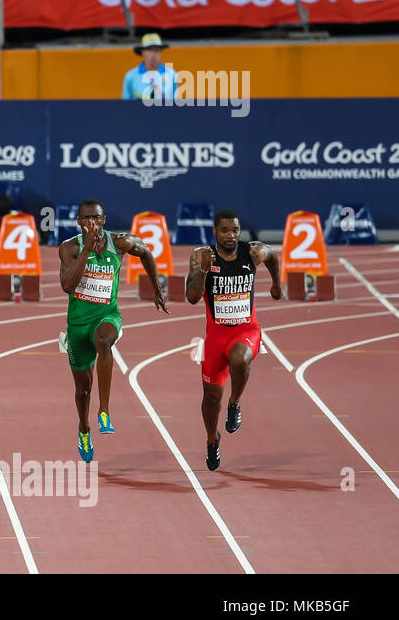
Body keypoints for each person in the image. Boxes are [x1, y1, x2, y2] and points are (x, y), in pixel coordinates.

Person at [58, 200, 168, 463]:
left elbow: (146, 253)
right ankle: (84, 428)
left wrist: (156, 288)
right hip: (77, 325)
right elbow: (67, 286)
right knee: (82, 389)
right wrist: (86, 251)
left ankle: (104, 411)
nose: (91, 223)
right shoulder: (69, 248)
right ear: (78, 222)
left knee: (105, 342)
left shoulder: (119, 243)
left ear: (104, 219)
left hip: (106, 316)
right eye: (86, 219)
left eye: (96, 218)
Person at [184, 210, 282, 471]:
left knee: (240, 359)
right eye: (225, 230)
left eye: (235, 230)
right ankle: (211, 440)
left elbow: (272, 255)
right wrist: (204, 271)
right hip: (216, 336)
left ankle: (235, 402)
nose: (231, 235)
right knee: (210, 398)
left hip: (246, 329)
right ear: (214, 231)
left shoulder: (251, 252)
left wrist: (277, 285)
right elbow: (192, 297)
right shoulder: (201, 256)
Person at [122, 33, 178, 102]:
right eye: (149, 49)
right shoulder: (130, 76)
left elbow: (175, 105)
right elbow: (125, 106)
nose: (153, 54)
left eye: (157, 50)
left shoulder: (172, 74)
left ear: (161, 52)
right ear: (142, 52)